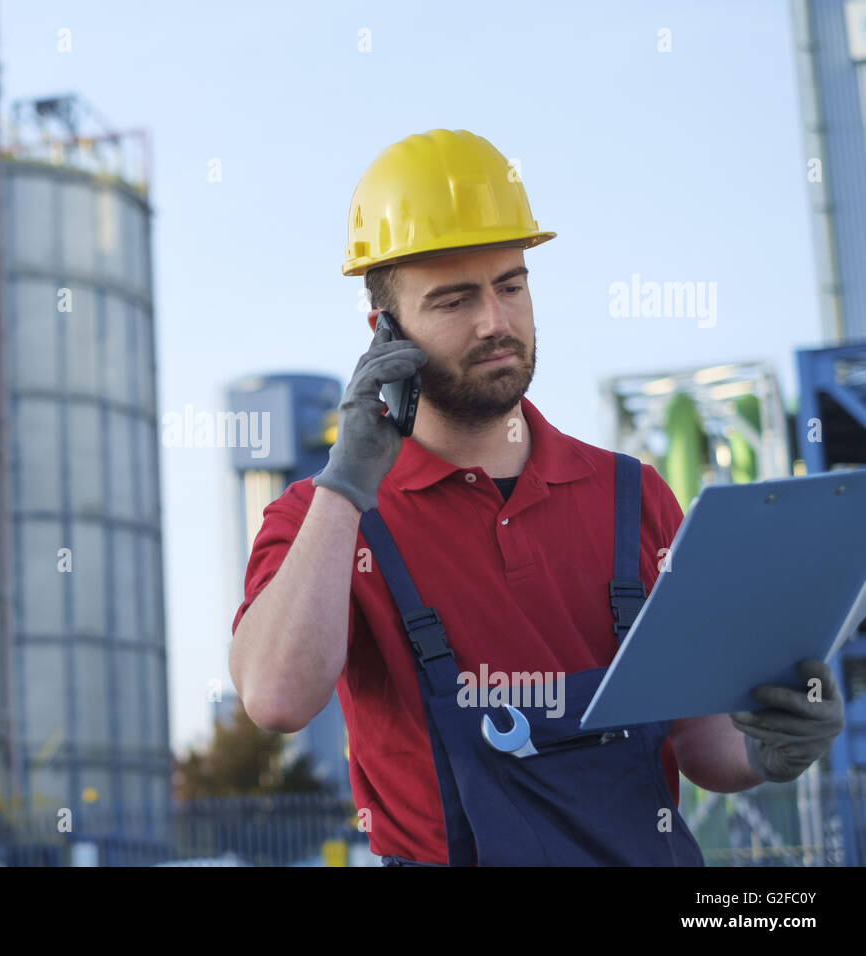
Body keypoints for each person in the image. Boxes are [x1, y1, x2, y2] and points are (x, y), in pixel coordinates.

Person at [228, 129, 844, 866]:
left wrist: (771, 747)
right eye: (454, 300)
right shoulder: (322, 521)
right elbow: (275, 698)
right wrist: (346, 486)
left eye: (510, 286)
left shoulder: (631, 496)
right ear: (383, 333)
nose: (496, 322)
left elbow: (700, 743)